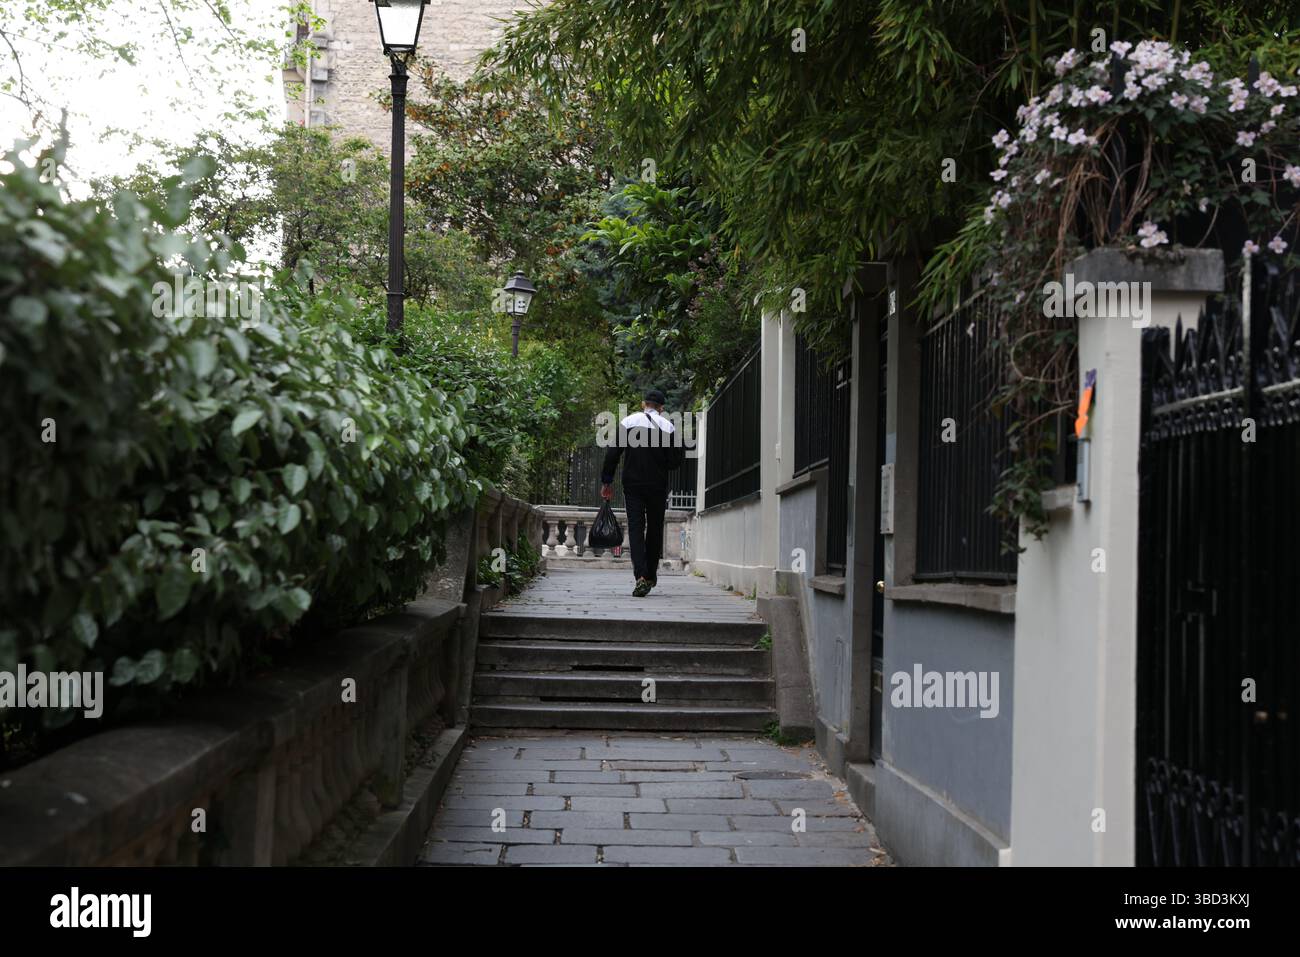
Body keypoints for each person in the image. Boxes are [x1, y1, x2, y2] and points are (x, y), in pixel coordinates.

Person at [600, 389, 685, 597]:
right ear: (661, 408)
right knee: (655, 529)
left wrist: (607, 481)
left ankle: (639, 576)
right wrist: (662, 462)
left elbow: (613, 452)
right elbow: (676, 459)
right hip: (657, 485)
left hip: (633, 485)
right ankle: (650, 575)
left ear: (643, 404)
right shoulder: (668, 426)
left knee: (636, 528)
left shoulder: (629, 422)